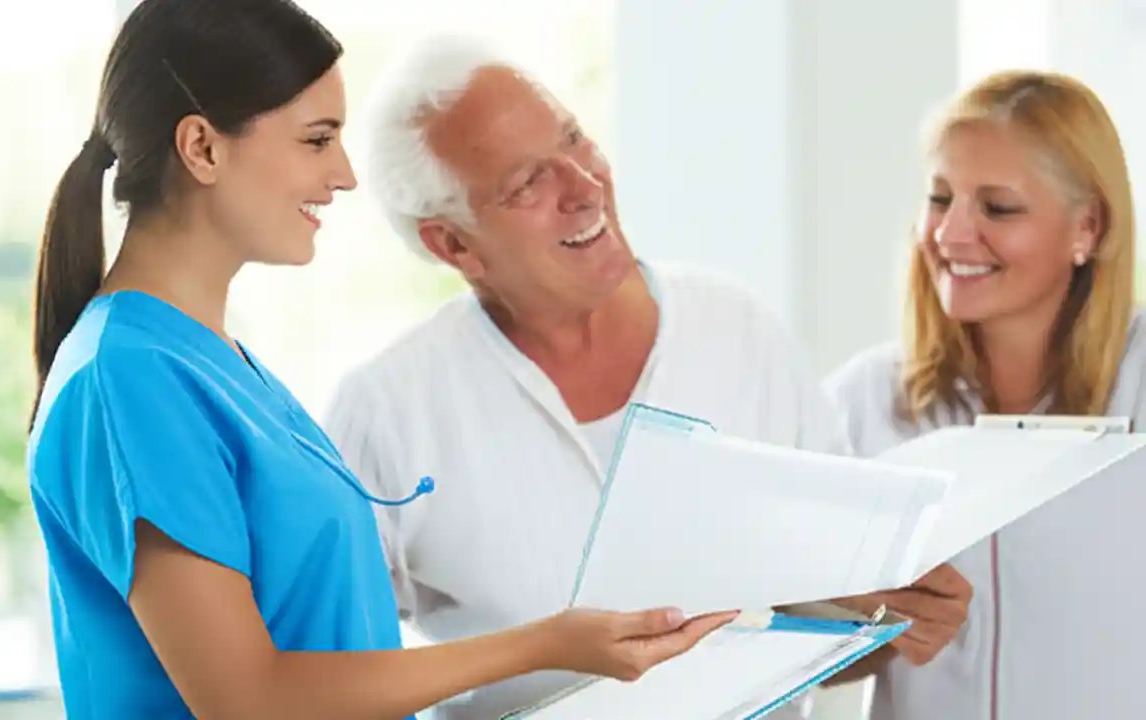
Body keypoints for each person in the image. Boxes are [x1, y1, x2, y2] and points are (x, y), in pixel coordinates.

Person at [26, 3, 738, 718]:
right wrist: (547, 643)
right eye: (316, 140)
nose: (344, 176)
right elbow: (248, 699)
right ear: (203, 148)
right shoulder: (129, 379)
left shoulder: (216, 364)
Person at [324, 37, 970, 720]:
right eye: (527, 184)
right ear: (452, 244)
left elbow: (823, 619)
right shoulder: (387, 409)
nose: (583, 185)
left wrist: (897, 622)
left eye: (573, 139)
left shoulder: (740, 331)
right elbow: (337, 676)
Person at [828, 70, 1144, 719]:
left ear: (1088, 226)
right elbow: (775, 635)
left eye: (997, 208)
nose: (950, 236)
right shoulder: (865, 399)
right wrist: (865, 619)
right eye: (940, 199)